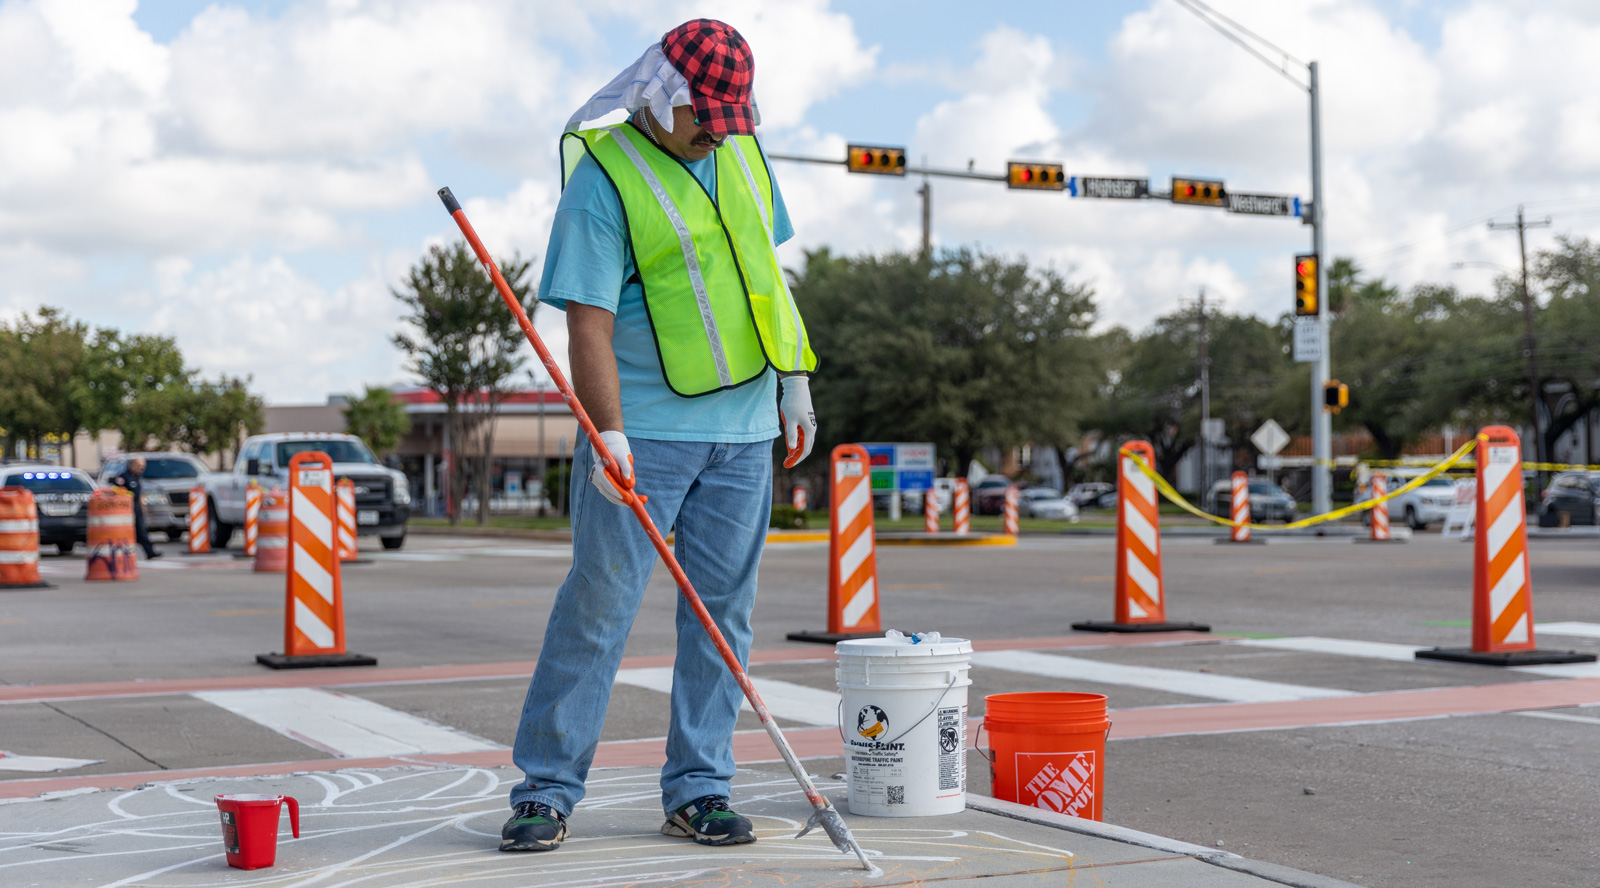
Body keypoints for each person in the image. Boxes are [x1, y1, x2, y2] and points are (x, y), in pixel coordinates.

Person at [501, 19, 818, 854]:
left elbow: (766, 276)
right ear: (660, 93)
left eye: (729, 116)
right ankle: (546, 790)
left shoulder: (742, 151)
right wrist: (608, 434)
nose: (717, 131)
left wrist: (794, 378)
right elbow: (589, 323)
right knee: (598, 609)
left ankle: (700, 789)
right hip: (644, 438)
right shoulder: (604, 178)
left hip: (745, 433)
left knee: (723, 619)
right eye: (704, 115)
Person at [109, 457, 161, 559]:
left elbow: (140, 493)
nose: (141, 469)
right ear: (132, 465)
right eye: (139, 467)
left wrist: (143, 507)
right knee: (127, 531)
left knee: (142, 530)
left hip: (137, 506)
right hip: (126, 508)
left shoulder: (137, 477)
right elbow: (117, 492)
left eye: (142, 467)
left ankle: (149, 552)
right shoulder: (123, 477)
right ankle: (127, 553)